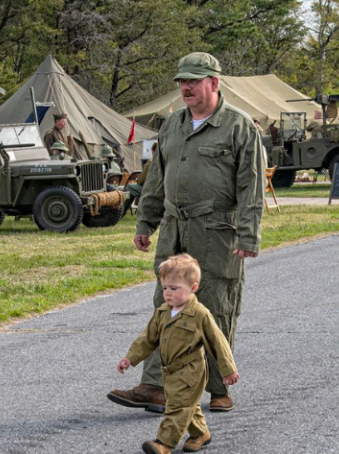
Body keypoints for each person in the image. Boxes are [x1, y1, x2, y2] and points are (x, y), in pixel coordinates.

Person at [107, 51, 264, 414]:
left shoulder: (238, 126)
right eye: (182, 81)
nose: (186, 87)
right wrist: (146, 222)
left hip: (217, 231)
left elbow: (251, 186)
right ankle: (155, 387)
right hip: (174, 230)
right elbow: (156, 178)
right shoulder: (173, 125)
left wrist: (248, 235)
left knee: (216, 306)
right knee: (166, 306)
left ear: (214, 82)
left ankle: (218, 389)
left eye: (194, 80)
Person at [117, 254, 238, 454]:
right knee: (188, 405)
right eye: (165, 287)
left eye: (174, 288)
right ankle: (201, 433)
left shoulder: (199, 314)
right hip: (170, 371)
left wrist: (228, 369)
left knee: (178, 406)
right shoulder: (163, 312)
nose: (168, 293)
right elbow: (147, 338)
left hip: (191, 370)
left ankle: (164, 444)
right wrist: (130, 358)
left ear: (193, 288)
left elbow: (218, 342)